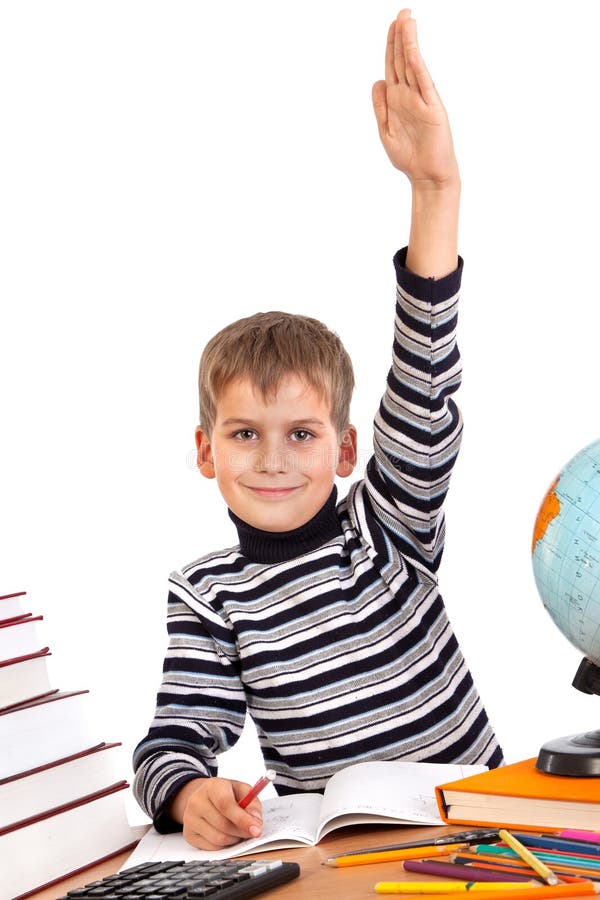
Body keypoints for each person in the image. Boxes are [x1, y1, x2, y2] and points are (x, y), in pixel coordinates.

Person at [132, 8, 503, 852]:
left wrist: (434, 190)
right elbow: (172, 741)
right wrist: (190, 795)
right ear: (205, 451)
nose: (273, 460)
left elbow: (424, 376)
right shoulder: (209, 595)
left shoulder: (388, 526)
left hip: (481, 838)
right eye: (244, 434)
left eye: (301, 434)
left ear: (346, 449)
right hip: (342, 861)